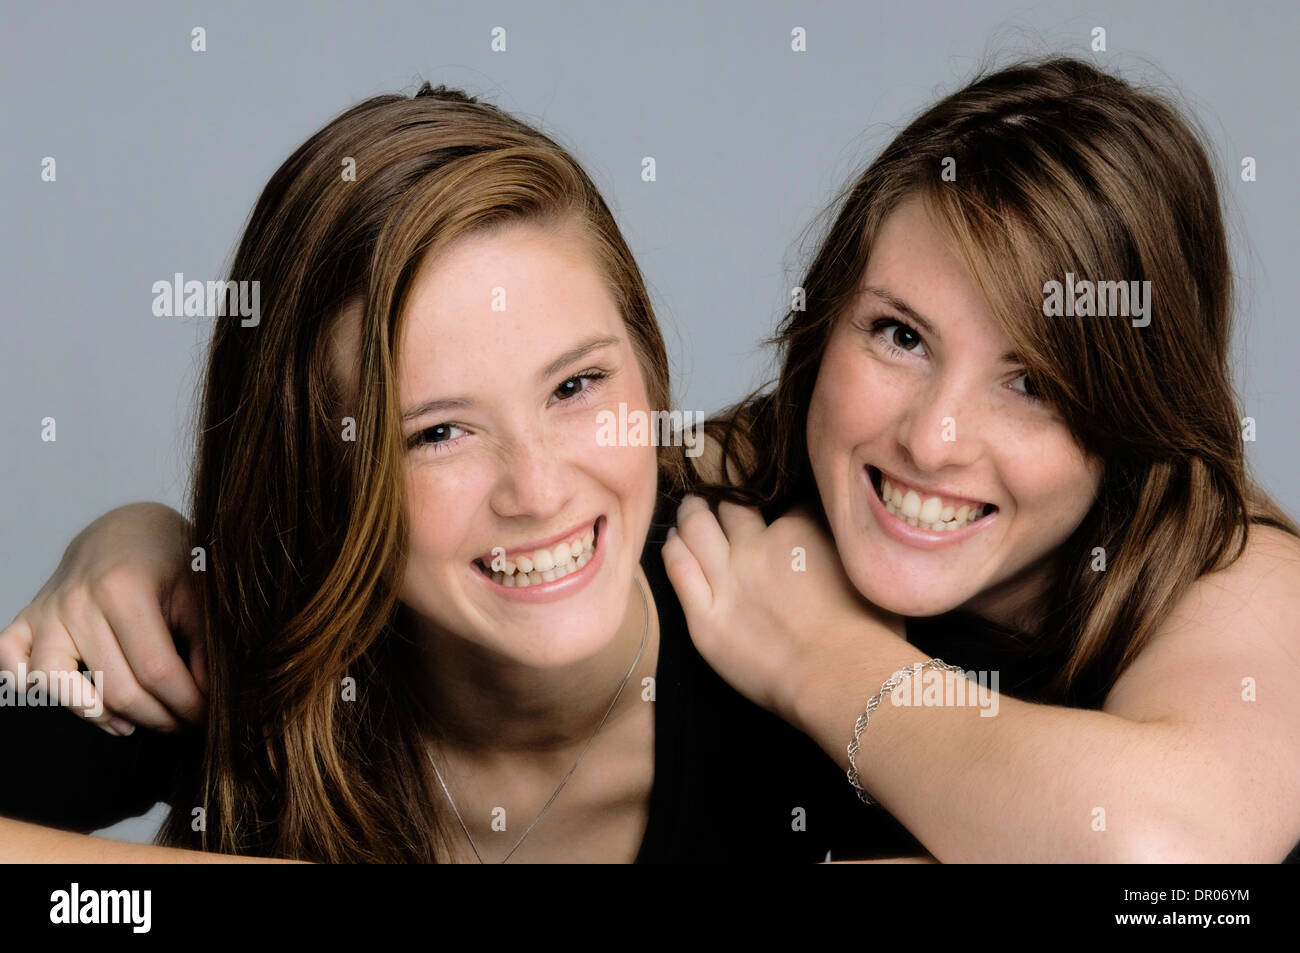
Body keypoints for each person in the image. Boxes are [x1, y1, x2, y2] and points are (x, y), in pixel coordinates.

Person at [0, 83, 909, 863]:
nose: (539, 490)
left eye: (577, 384)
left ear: (648, 364)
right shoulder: (230, 639)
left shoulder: (819, 619)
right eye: (437, 433)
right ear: (318, 468)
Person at [664, 57, 1300, 862]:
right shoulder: (725, 477)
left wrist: (821, 657)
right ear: (827, 320)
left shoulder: (1241, 573)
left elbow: (1162, 858)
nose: (932, 440)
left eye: (1031, 383)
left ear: (1139, 412)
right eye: (901, 335)